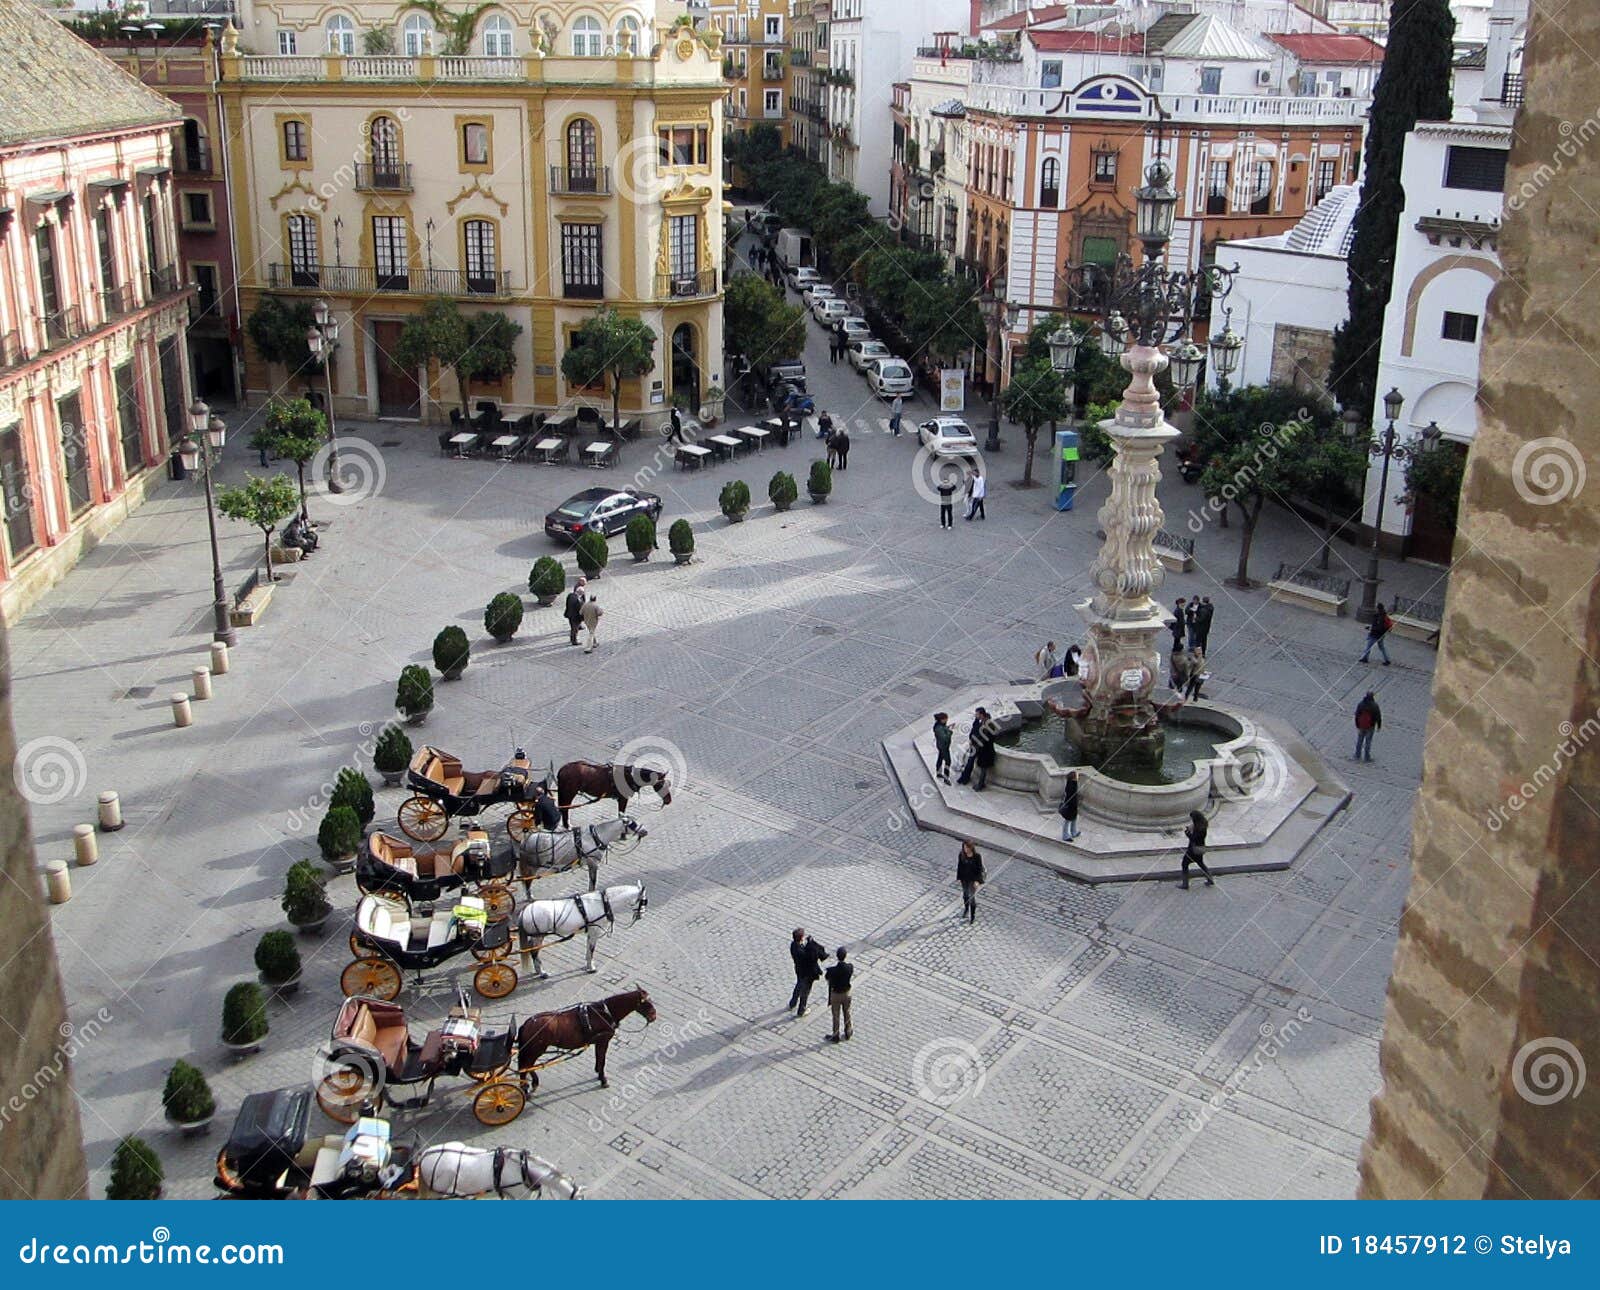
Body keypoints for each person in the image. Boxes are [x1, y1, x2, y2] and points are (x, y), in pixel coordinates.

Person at [788, 928, 828, 1017]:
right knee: (805, 992)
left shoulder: (793, 945)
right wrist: (811, 945)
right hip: (806, 974)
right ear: (801, 937)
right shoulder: (801, 951)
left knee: (798, 985)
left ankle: (792, 1003)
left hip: (799, 970)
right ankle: (801, 1010)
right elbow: (810, 958)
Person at [1179, 810, 1214, 890]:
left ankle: (1185, 884)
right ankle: (1210, 879)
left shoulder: (1199, 829)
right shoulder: (1203, 824)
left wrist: (1187, 833)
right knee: (1201, 863)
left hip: (1193, 850)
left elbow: (1193, 839)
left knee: (1184, 864)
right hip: (1201, 848)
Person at [824, 948, 853, 1041]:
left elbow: (827, 978)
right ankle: (848, 1031)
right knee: (847, 1012)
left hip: (836, 994)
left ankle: (836, 1035)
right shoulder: (849, 967)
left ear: (837, 956)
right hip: (846, 993)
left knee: (836, 1015)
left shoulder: (832, 971)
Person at [956, 707, 990, 785]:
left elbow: (984, 737)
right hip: (974, 744)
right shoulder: (977, 721)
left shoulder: (987, 723)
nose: (975, 715)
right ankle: (964, 778)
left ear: (981, 714)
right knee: (969, 762)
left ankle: (965, 778)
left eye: (977, 714)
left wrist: (975, 742)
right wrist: (971, 739)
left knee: (971, 761)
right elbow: (973, 730)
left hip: (979, 746)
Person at [956, 841, 985, 923]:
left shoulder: (977, 856)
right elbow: (960, 867)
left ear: (971, 847)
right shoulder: (961, 855)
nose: (965, 849)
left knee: (972, 897)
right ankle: (966, 909)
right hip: (964, 879)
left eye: (967, 848)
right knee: (965, 895)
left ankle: (972, 915)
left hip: (973, 880)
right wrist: (959, 878)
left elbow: (979, 869)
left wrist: (977, 881)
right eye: (964, 847)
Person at [1354, 691, 1382, 762]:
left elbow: (1357, 715)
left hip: (1361, 726)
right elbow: (1378, 717)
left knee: (1359, 741)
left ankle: (1357, 755)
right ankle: (1367, 757)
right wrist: (1379, 726)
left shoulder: (1361, 704)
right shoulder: (1375, 705)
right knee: (1368, 742)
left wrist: (1357, 724)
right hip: (1370, 726)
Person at [563, 578, 587, 646]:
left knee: (572, 628)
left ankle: (572, 639)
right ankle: (574, 641)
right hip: (575, 617)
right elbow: (580, 610)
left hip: (569, 615)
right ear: (580, 593)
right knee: (575, 629)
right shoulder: (578, 601)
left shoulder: (570, 595)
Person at [1059, 772, 1080, 842]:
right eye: (1077, 775)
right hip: (1071, 806)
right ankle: (1065, 836)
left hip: (1073, 806)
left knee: (1074, 819)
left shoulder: (1072, 783)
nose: (1078, 777)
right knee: (1067, 821)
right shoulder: (1071, 785)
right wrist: (1074, 805)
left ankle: (1074, 832)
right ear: (1074, 777)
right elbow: (1071, 796)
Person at [933, 712, 953, 783]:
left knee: (940, 758)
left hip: (941, 745)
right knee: (948, 761)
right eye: (946, 719)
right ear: (942, 720)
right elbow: (945, 738)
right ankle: (946, 778)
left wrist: (948, 728)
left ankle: (938, 773)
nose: (947, 720)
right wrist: (950, 731)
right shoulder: (938, 728)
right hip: (943, 746)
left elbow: (943, 730)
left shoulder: (940, 726)